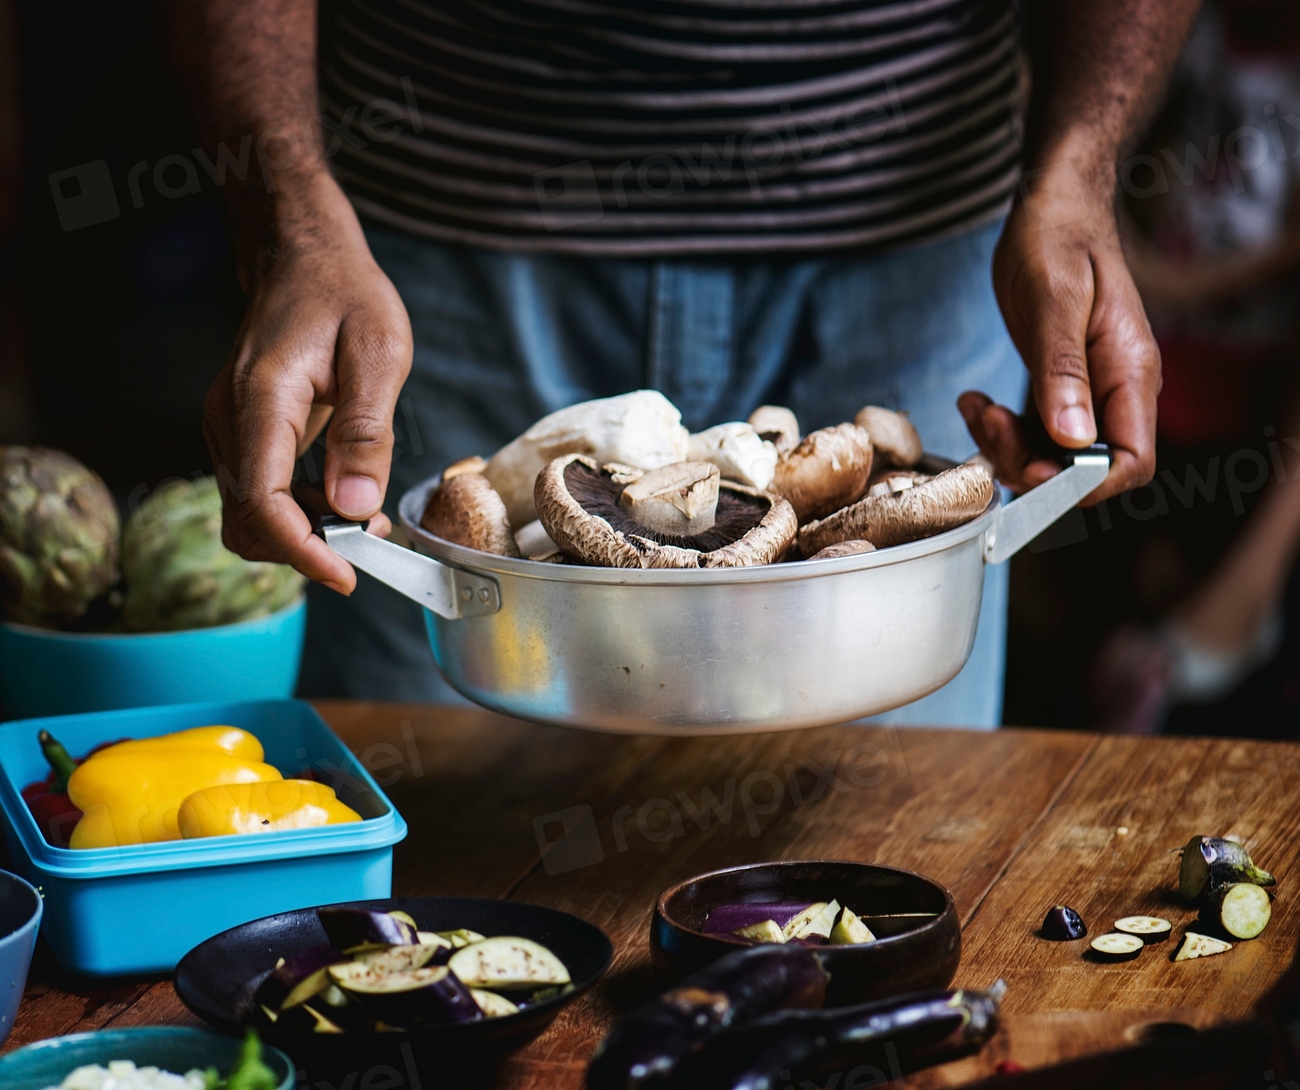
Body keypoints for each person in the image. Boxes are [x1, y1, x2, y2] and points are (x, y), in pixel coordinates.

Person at [160, 0, 1196, 727]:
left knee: (883, 834)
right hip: (446, 243)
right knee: (453, 827)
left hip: (913, 245)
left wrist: (1081, 165)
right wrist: (285, 215)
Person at [1090, 0, 1300, 733]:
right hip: (1172, 353)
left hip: (1251, 352)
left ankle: (1217, 633)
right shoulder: (1201, 39)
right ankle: (1158, 647)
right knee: (1155, 536)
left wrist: (1173, 283)